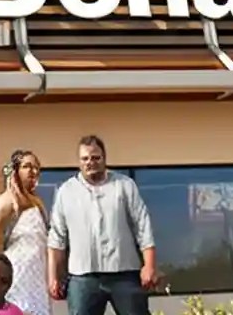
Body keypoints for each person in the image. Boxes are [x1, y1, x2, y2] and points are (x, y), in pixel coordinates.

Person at [47, 135, 158, 315]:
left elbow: (143, 226)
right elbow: (56, 239)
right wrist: (54, 277)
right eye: (85, 158)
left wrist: (149, 265)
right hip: (83, 278)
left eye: (95, 157)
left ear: (104, 158)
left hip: (124, 275)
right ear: (79, 162)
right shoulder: (66, 192)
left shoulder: (125, 185)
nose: (90, 162)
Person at [0, 149, 51, 315]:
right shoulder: (9, 198)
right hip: (17, 273)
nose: (33, 171)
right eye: (27, 166)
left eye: (36, 167)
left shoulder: (36, 200)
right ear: (16, 170)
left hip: (37, 275)